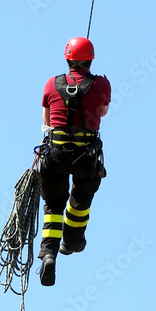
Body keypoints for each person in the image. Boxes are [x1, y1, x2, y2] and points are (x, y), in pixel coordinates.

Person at [37, 37, 112, 286]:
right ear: (90, 59)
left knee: (54, 206)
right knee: (81, 199)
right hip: (85, 156)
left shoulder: (51, 84)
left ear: (68, 59)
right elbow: (102, 111)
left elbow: (47, 122)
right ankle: (71, 241)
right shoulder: (102, 85)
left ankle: (49, 254)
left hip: (55, 155)